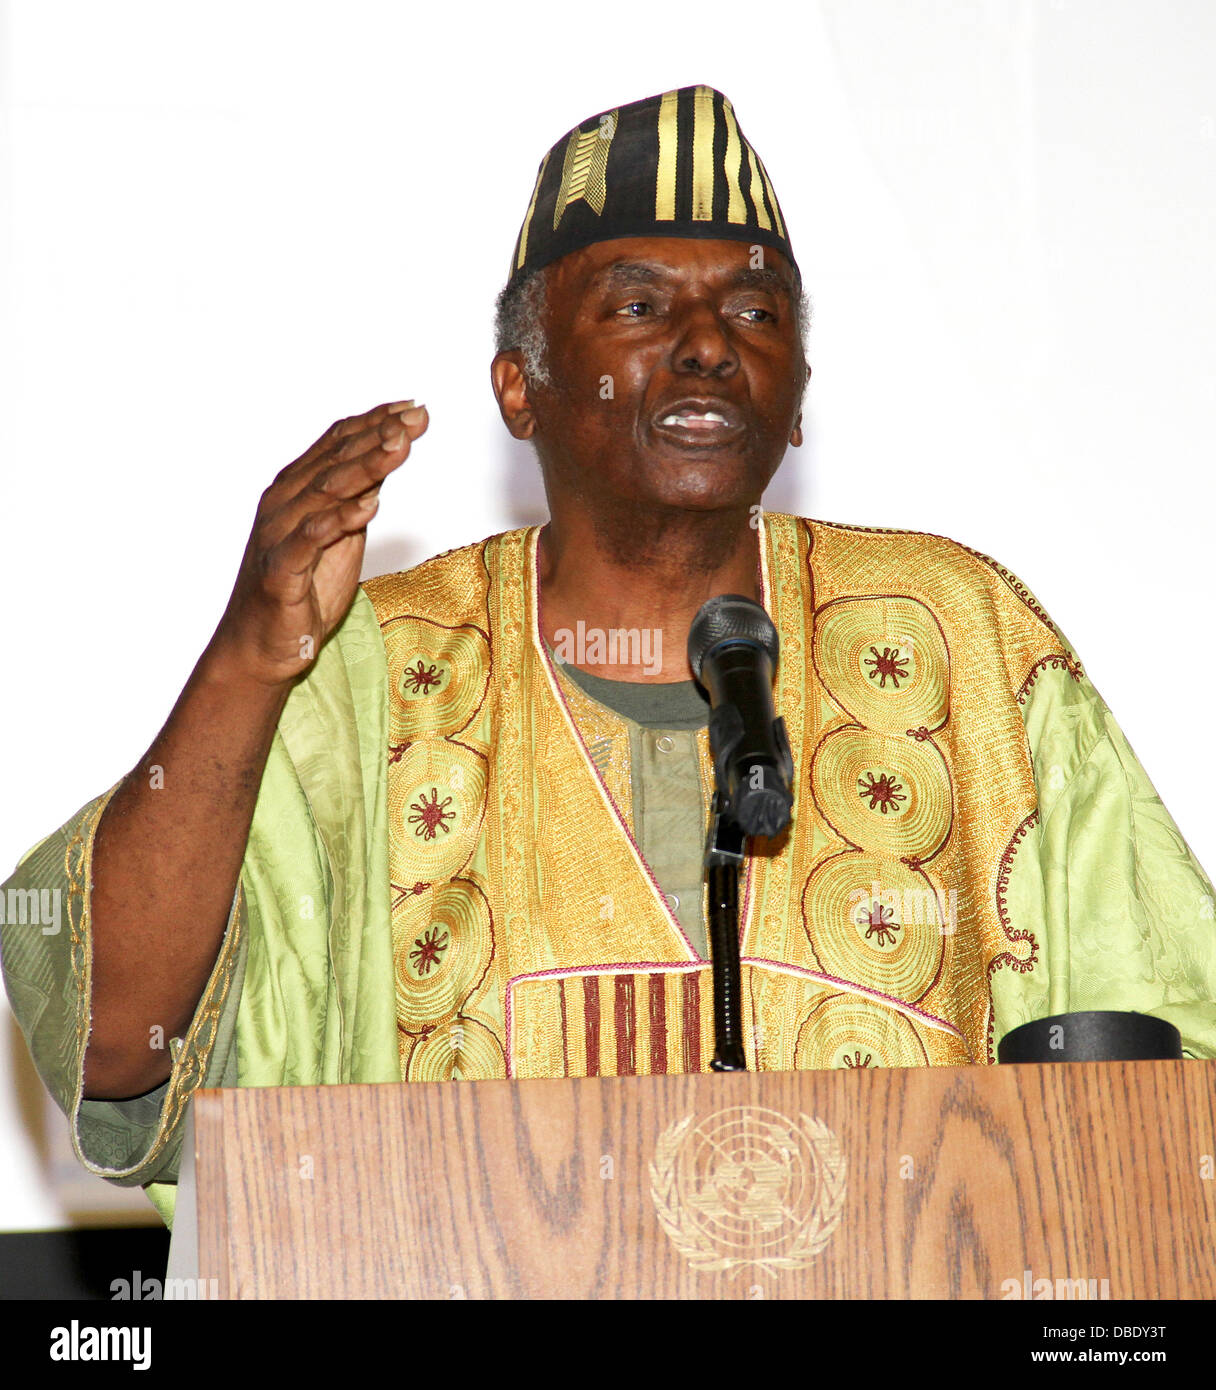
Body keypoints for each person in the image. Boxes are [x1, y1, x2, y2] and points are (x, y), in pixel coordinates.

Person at [3, 85, 1214, 1229]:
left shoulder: (964, 638)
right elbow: (116, 1046)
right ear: (518, 387)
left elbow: (1169, 1106)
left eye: (754, 312)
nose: (705, 344)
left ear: (797, 399)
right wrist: (247, 661)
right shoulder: (372, 673)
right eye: (638, 306)